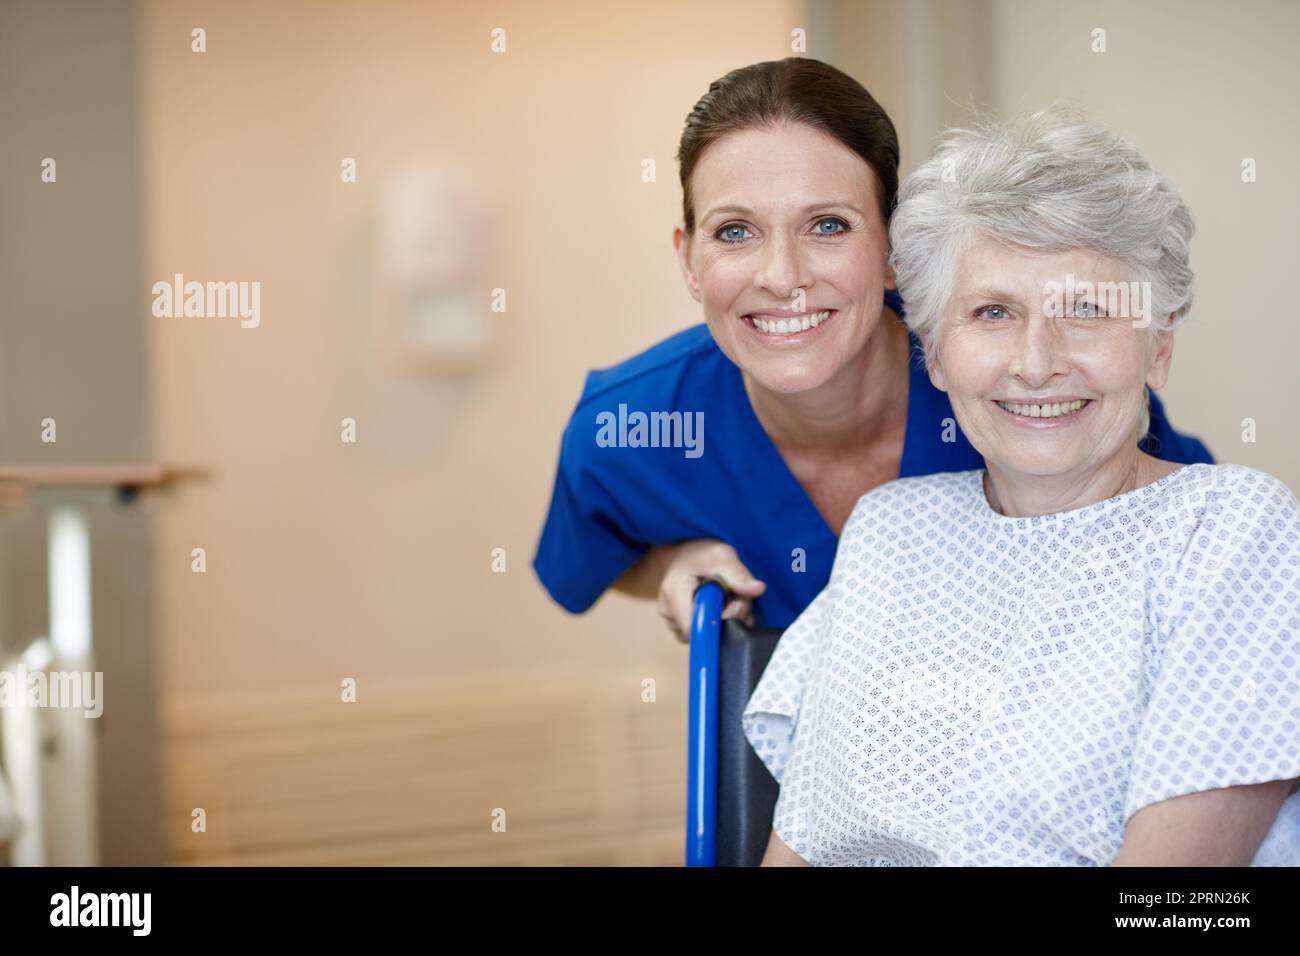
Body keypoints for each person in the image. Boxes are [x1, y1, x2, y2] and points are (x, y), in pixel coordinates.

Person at [743, 105, 1300, 866]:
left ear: (1158, 348)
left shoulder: (1228, 530)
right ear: (937, 356)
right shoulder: (887, 531)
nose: (1037, 362)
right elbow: (803, 844)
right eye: (993, 312)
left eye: (1087, 310)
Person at [531, 58, 1212, 638]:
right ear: (688, 261)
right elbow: (599, 560)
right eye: (734, 232)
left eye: (828, 225)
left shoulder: (1015, 385)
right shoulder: (629, 428)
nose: (783, 276)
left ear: (894, 249)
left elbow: (1183, 525)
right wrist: (674, 565)